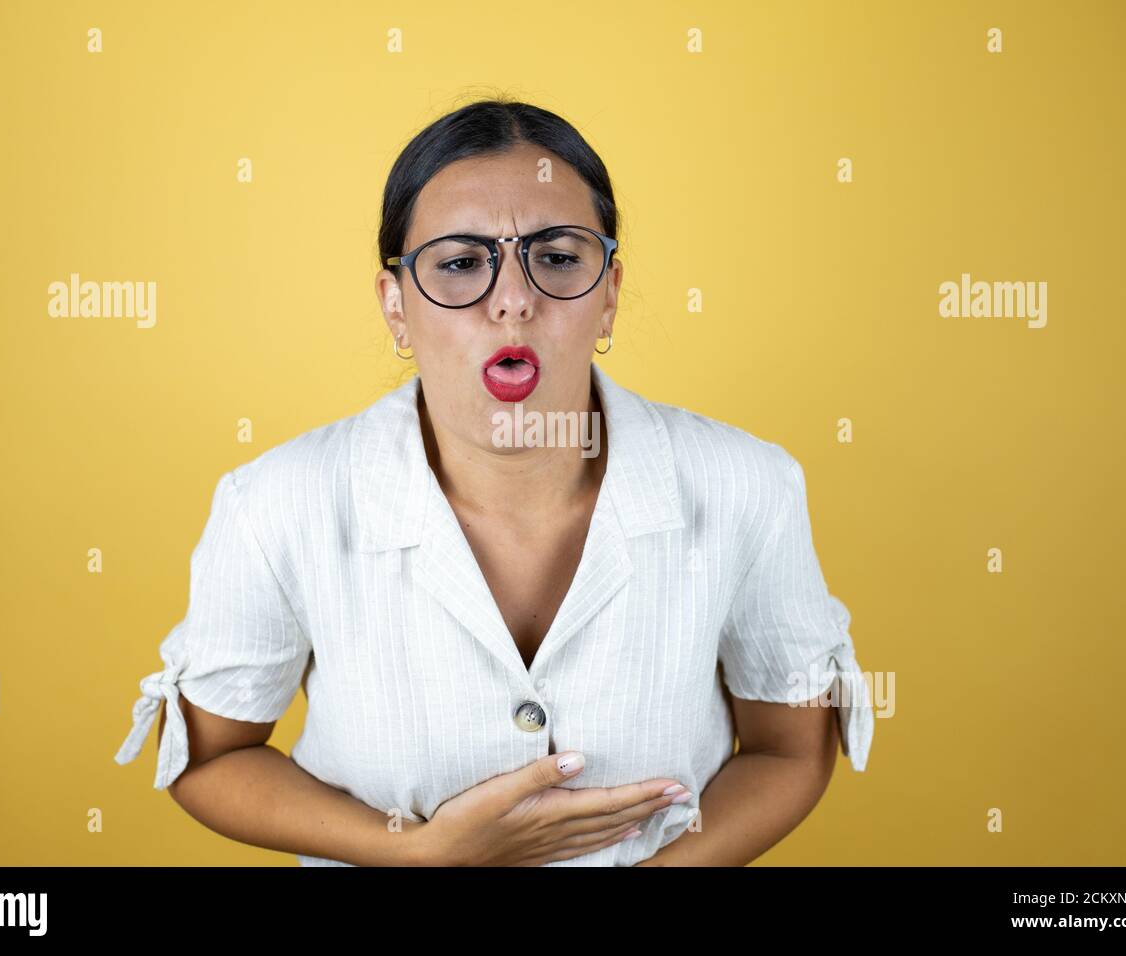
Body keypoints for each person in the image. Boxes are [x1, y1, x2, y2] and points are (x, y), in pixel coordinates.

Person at [113, 98, 873, 866]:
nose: (513, 299)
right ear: (396, 307)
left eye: (558, 256)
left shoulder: (748, 488)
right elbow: (210, 758)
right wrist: (420, 851)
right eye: (460, 262)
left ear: (609, 292)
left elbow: (788, 750)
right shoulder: (276, 505)